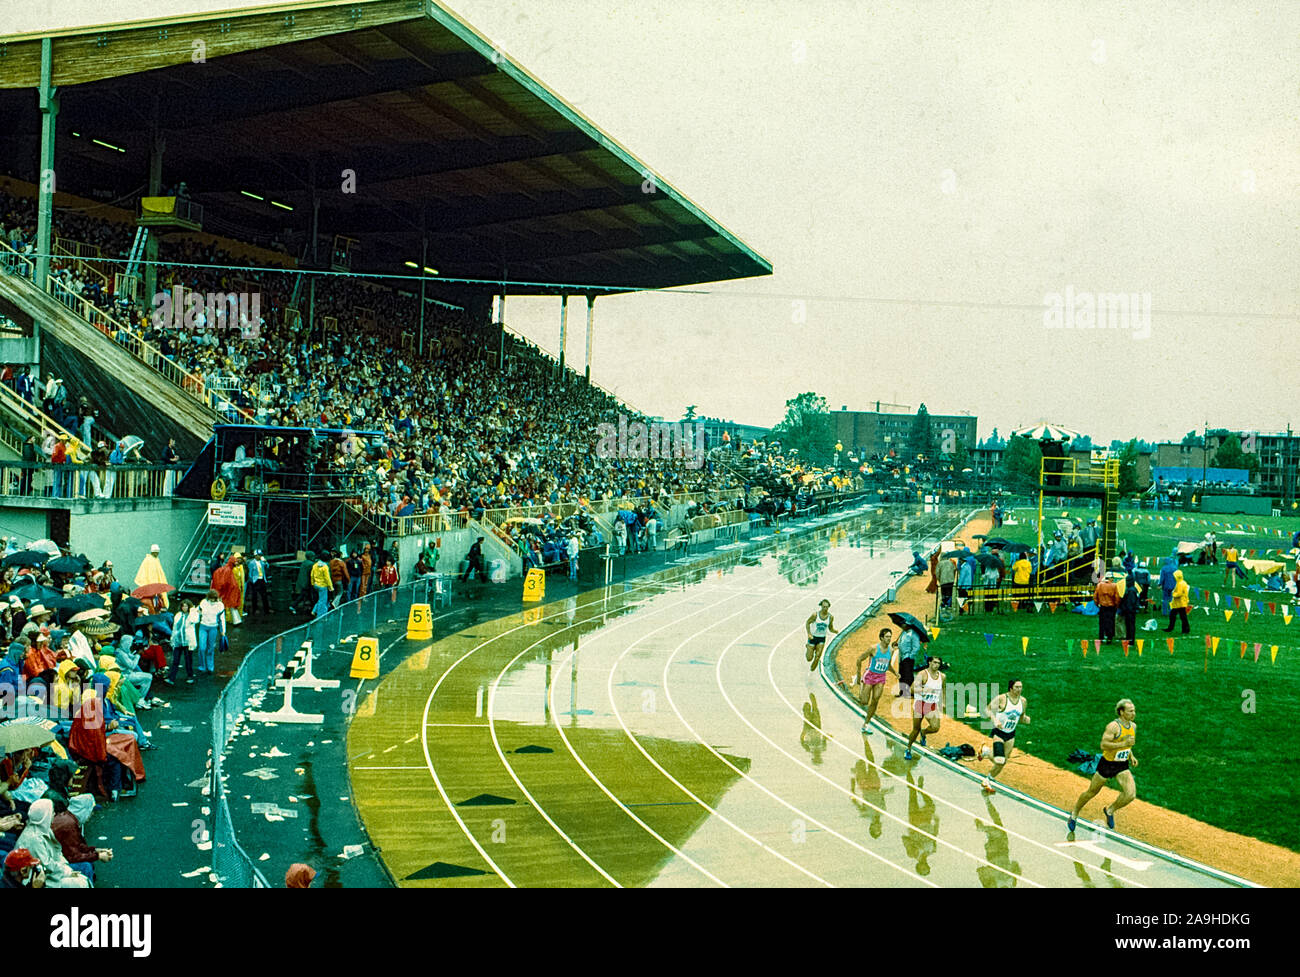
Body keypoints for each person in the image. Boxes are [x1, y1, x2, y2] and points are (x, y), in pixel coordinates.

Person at [1068, 699, 1139, 832]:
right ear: (1121, 712)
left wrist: (1131, 756)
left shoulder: (1133, 726)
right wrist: (1123, 744)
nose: (1133, 713)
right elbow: (1104, 745)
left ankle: (1110, 810)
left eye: (1134, 710)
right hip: (1107, 764)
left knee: (1130, 794)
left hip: (1121, 765)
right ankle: (1074, 813)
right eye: (1130, 711)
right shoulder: (1113, 726)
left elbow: (1128, 744)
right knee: (1091, 792)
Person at [15, 799, 89, 888]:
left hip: (53, 870)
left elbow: (57, 852)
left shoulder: (42, 828)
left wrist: (66, 868)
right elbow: (46, 865)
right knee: (81, 882)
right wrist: (67, 872)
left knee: (85, 871)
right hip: (41, 879)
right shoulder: (33, 839)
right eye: (52, 812)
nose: (54, 814)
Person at [978, 678, 1030, 794]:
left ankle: (986, 752)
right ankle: (987, 780)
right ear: (1011, 688)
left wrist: (1025, 719)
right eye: (1017, 687)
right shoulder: (1002, 698)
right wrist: (995, 719)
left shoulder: (1023, 701)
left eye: (1020, 687)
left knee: (1003, 761)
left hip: (1011, 734)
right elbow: (987, 710)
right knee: (1000, 760)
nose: (1019, 689)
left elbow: (1021, 716)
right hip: (999, 732)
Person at [850, 627, 897, 732]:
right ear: (881, 638)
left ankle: (866, 724)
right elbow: (859, 659)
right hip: (870, 675)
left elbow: (888, 665)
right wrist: (858, 674)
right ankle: (861, 683)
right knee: (864, 702)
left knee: (876, 699)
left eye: (890, 637)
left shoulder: (891, 650)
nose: (889, 639)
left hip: (881, 677)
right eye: (887, 637)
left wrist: (895, 673)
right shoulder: (873, 648)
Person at [904, 655, 945, 759]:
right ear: (929, 663)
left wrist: (943, 702)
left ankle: (924, 732)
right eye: (934, 662)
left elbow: (943, 689)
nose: (936, 665)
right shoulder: (922, 674)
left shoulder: (942, 676)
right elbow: (912, 689)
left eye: (938, 663)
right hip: (920, 704)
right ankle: (908, 748)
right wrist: (923, 691)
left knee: (935, 728)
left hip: (931, 705)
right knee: (915, 729)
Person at [167, 599, 198, 684]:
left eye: (186, 606)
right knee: (175, 660)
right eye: (183, 606)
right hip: (178, 641)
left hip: (188, 642)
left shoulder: (192, 615)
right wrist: (172, 639)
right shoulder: (178, 615)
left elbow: (194, 620)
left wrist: (192, 611)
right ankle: (172, 678)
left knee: (188, 660)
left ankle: (190, 676)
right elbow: (175, 628)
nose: (184, 608)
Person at [196, 588, 226, 674]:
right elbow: (198, 612)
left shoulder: (220, 605)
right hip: (203, 627)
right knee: (202, 647)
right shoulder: (203, 603)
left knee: (210, 648)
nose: (212, 600)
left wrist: (223, 630)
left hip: (213, 628)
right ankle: (202, 666)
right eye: (210, 598)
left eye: (213, 598)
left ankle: (210, 666)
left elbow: (222, 619)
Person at [804, 599, 838, 672]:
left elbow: (830, 627)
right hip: (813, 637)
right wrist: (809, 634)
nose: (825, 608)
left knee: (817, 656)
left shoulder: (830, 617)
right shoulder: (815, 615)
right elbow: (807, 623)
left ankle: (811, 670)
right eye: (823, 607)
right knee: (809, 658)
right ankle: (808, 647)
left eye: (826, 607)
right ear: (821, 606)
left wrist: (835, 631)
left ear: (829, 607)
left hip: (821, 638)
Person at [134, 543, 170, 610]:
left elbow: (159, 574)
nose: (157, 554)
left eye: (157, 552)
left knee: (158, 601)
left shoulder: (156, 560)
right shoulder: (149, 560)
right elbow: (150, 576)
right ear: (152, 552)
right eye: (155, 552)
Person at [896, 624, 925, 698]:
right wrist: (897, 644)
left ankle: (907, 692)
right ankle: (902, 691)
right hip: (901, 657)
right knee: (901, 674)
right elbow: (901, 643)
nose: (902, 626)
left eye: (904, 624)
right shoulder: (903, 633)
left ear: (908, 625)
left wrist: (910, 656)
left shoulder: (914, 634)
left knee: (907, 675)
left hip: (908, 658)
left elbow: (916, 647)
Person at [1094, 573, 1119, 643]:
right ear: (1110, 578)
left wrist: (1097, 604)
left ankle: (1101, 637)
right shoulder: (1114, 586)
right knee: (1110, 622)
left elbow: (1095, 596)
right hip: (1111, 606)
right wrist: (1116, 605)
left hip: (1102, 606)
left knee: (1102, 622)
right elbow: (1116, 597)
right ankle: (1109, 637)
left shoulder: (1099, 585)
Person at [1164, 569, 1190, 634]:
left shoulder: (1180, 584)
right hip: (1179, 603)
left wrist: (1173, 594)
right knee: (1177, 616)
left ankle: (1185, 629)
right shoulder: (1181, 582)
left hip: (1180, 603)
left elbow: (1179, 593)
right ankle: (1172, 628)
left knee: (1181, 616)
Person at [246, 550, 272, 614]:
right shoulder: (251, 563)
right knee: (254, 596)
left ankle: (267, 610)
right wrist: (252, 580)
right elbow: (250, 573)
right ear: (256, 555)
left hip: (262, 579)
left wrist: (266, 562)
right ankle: (254, 610)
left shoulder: (262, 562)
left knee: (264, 595)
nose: (260, 556)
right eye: (259, 555)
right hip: (255, 580)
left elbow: (267, 567)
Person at [1118, 571, 1139, 643]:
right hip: (1129, 611)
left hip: (1130, 611)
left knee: (1130, 626)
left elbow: (1130, 602)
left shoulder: (1131, 591)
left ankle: (1131, 640)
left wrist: (1125, 610)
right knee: (1128, 626)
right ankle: (1128, 639)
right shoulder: (1131, 589)